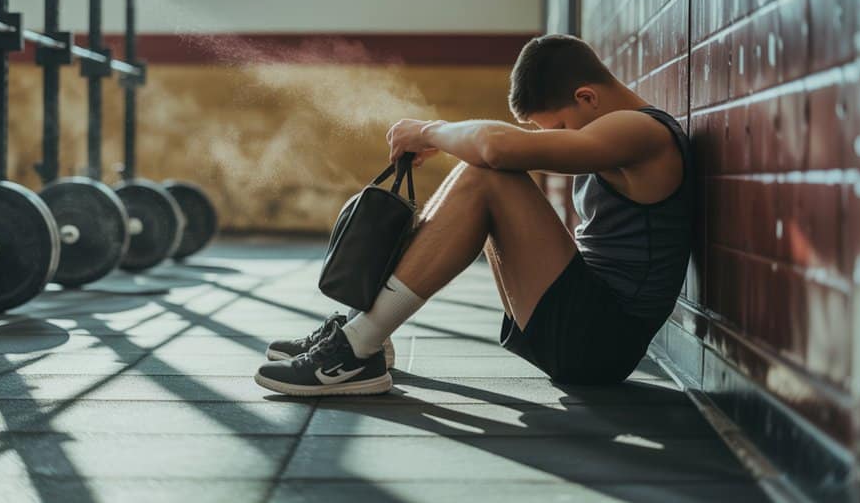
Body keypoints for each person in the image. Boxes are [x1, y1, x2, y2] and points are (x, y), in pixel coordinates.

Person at [254, 34, 692, 396]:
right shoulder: (620, 130)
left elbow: (497, 148)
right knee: (482, 172)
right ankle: (363, 332)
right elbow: (492, 148)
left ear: (586, 97)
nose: (554, 140)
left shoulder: (640, 131)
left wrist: (429, 131)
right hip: (588, 326)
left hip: (600, 342)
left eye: (556, 127)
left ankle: (356, 349)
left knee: (491, 175)